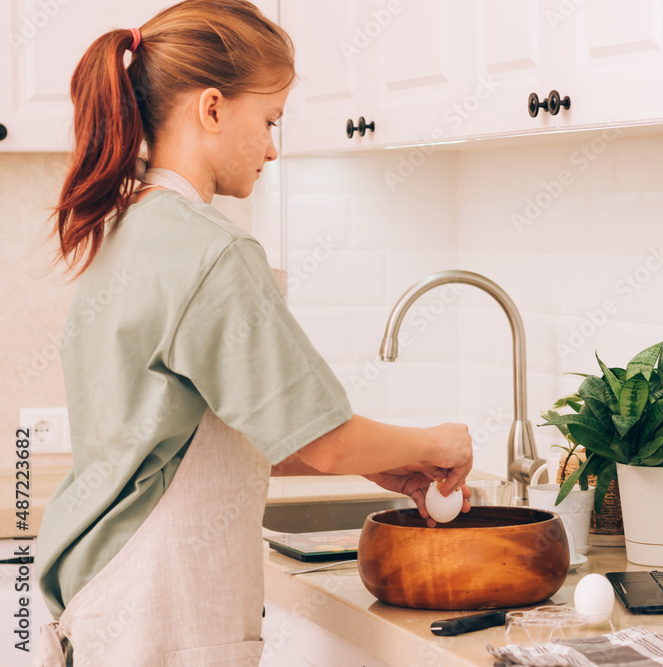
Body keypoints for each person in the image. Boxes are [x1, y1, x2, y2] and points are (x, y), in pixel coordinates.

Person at [33, 1, 473, 664]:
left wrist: (388, 461)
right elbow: (324, 441)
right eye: (269, 119)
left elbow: (205, 430)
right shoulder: (211, 253)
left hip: (105, 594)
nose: (272, 146)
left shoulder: (125, 231)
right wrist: (439, 440)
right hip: (163, 607)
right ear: (211, 108)